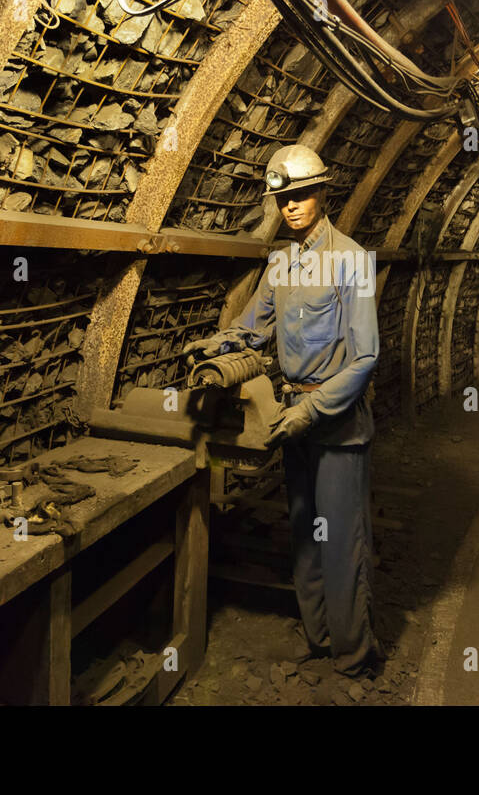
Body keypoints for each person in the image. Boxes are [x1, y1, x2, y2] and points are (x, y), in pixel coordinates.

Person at [181, 145, 385, 679]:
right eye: (282, 198)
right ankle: (319, 638)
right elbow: (254, 326)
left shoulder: (352, 261)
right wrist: (217, 344)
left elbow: (365, 357)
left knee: (341, 539)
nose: (290, 206)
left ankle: (355, 654)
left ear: (322, 191)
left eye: (299, 195)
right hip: (294, 417)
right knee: (306, 533)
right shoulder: (281, 263)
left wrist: (312, 409)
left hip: (336, 423)